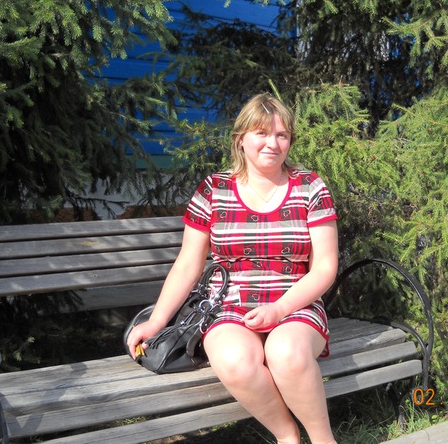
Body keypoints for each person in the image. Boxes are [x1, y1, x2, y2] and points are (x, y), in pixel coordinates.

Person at [126, 93, 339, 444]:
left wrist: (279, 309)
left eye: (282, 135)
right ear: (241, 139)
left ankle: (322, 440)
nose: (273, 144)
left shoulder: (309, 187)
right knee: (234, 360)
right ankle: (287, 437)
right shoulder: (214, 190)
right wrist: (157, 320)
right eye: (262, 133)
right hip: (230, 304)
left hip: (295, 303)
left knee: (286, 354)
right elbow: (188, 263)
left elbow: (325, 267)